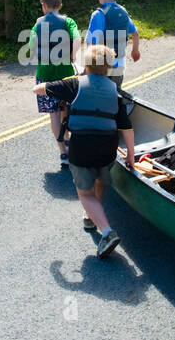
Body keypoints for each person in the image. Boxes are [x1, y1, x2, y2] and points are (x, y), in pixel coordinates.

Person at [33, 44, 136, 258]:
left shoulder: (74, 84)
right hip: (108, 147)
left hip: (82, 146)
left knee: (84, 193)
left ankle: (107, 232)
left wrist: (75, 76)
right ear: (108, 67)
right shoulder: (114, 92)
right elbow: (126, 128)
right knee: (99, 178)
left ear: (86, 65)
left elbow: (39, 89)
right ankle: (91, 218)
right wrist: (132, 158)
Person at [30, 0, 80, 168]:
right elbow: (77, 39)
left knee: (53, 115)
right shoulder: (68, 22)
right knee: (66, 109)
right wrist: (72, 56)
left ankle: (63, 152)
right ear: (60, 5)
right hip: (66, 74)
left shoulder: (38, 24)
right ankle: (68, 139)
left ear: (43, 5)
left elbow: (32, 48)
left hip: (45, 75)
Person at [84, 0, 139, 90]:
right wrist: (135, 50)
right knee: (115, 97)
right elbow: (135, 33)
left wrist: (87, 67)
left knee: (98, 99)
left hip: (101, 68)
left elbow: (91, 43)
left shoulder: (98, 14)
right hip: (119, 65)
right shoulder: (123, 11)